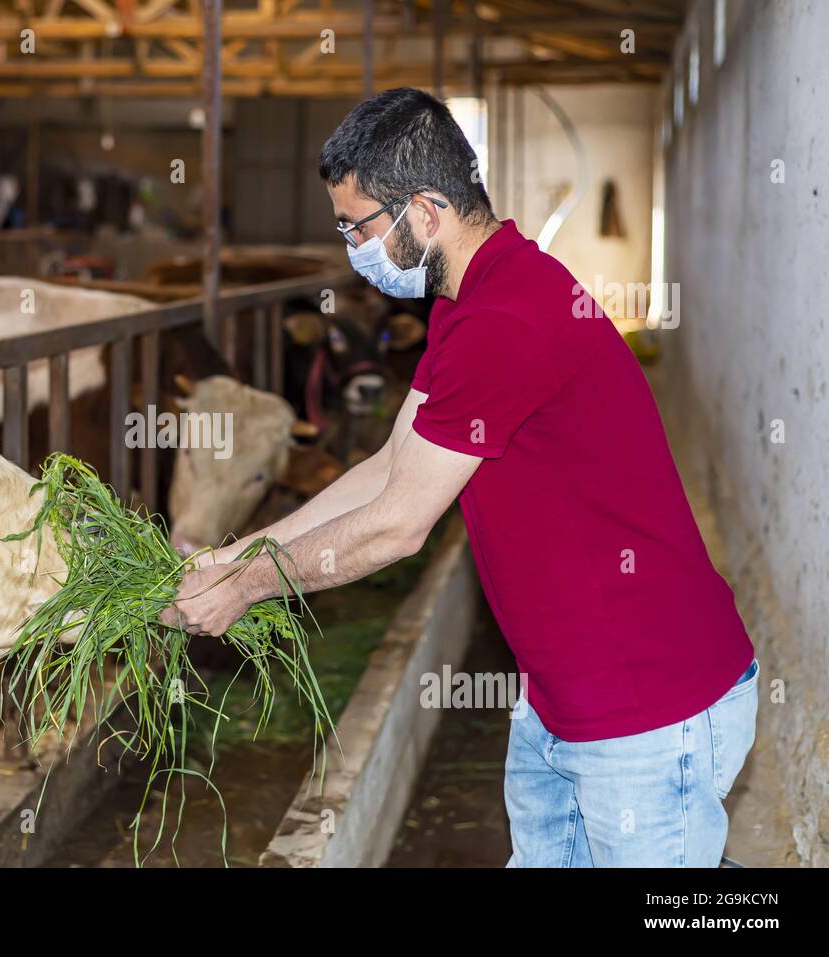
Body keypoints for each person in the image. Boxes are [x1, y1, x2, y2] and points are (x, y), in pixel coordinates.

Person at [161, 87, 758, 868]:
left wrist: (247, 589)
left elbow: (399, 522)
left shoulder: (506, 321)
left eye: (358, 225)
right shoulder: (468, 300)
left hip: (648, 710)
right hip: (561, 696)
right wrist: (236, 557)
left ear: (427, 210)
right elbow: (387, 469)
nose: (350, 246)